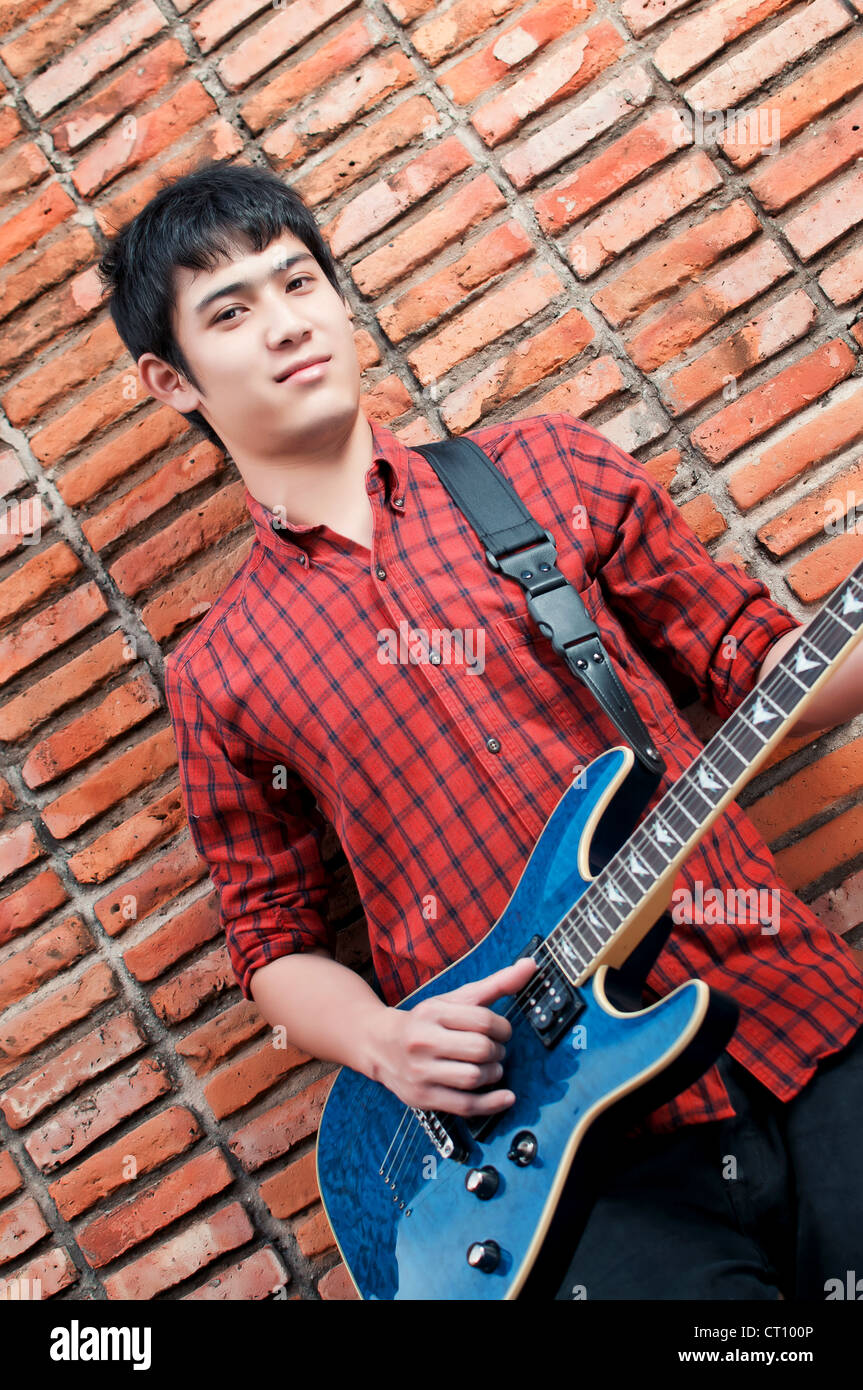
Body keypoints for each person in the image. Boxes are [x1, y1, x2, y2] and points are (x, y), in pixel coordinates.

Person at [97, 158, 863, 1300]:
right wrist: (381, 1043)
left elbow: (757, 669)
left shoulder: (545, 469)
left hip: (792, 1023)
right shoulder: (223, 671)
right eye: (231, 310)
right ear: (170, 380)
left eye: (299, 281)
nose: (287, 325)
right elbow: (268, 940)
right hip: (564, 1164)